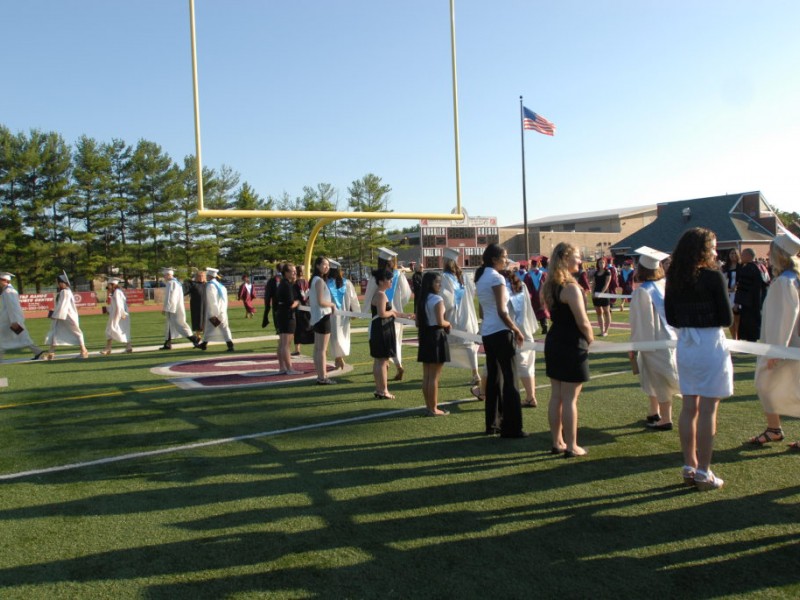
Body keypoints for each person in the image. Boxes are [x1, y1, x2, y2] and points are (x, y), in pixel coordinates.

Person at [665, 227, 733, 490]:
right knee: (707, 410)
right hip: (708, 344)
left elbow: (671, 318)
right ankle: (703, 471)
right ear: (702, 250)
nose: (716, 252)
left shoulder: (674, 277)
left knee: (689, 407)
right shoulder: (713, 277)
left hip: (686, 346)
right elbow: (726, 319)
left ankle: (689, 466)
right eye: (713, 246)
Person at [748, 233, 800, 448]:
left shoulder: (785, 282)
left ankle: (774, 429)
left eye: (770, 251)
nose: (767, 255)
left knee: (766, 383)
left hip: (785, 346)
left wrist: (776, 352)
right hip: (791, 344)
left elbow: (785, 317)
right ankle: (773, 428)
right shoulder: (792, 278)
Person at [543, 243, 594, 457]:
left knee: (557, 396)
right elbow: (582, 321)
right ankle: (572, 445)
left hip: (555, 341)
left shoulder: (548, 286)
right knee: (570, 398)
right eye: (577, 257)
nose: (580, 261)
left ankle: (557, 442)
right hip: (571, 343)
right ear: (565, 258)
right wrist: (590, 339)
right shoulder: (570, 288)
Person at [475, 243, 526, 438]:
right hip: (501, 332)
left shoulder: (481, 278)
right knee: (510, 380)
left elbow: (483, 309)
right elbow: (502, 311)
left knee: (494, 380)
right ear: (495, 259)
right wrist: (516, 329)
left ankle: (493, 424)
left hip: (488, 333)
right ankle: (512, 427)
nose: (507, 260)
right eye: (504, 257)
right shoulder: (496, 278)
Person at [628, 246, 680, 430]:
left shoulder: (642, 292)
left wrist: (636, 344)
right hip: (669, 336)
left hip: (653, 340)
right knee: (651, 377)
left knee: (659, 378)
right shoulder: (664, 284)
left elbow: (642, 322)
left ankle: (665, 418)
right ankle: (654, 412)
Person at [363, 247, 412, 381]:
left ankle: (391, 365)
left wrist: (366, 308)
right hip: (395, 312)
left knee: (379, 341)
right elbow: (407, 294)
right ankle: (397, 364)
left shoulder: (376, 277)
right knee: (395, 341)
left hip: (380, 314)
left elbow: (369, 295)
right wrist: (398, 303)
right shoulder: (398, 275)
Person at [440, 247, 481, 388]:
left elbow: (447, 299)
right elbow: (472, 292)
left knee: (451, 343)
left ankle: (436, 373)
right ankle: (475, 372)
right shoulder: (463, 276)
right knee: (469, 344)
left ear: (446, 261)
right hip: (467, 312)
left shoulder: (445, 277)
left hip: (454, 313)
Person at [369, 268, 411, 399]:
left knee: (379, 360)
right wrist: (393, 313)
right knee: (382, 361)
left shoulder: (380, 293)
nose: (391, 281)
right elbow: (383, 313)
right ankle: (384, 390)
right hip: (382, 329)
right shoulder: (381, 294)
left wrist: (405, 315)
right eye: (389, 279)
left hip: (379, 328)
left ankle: (379, 389)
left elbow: (390, 311)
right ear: (381, 281)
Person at [416, 271, 451, 416]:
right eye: (437, 282)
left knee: (427, 376)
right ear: (431, 284)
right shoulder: (437, 299)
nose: (440, 284)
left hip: (425, 335)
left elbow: (418, 322)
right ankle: (434, 408)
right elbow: (440, 321)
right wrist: (448, 323)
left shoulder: (422, 299)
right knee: (434, 377)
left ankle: (428, 406)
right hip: (436, 336)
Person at [507, 270, 539, 408]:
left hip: (514, 329)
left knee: (523, 364)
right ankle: (530, 396)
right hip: (524, 326)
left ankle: (531, 397)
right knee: (528, 363)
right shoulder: (522, 285)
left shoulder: (503, 288)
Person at [0, 272, 44, 361]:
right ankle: (38, 351)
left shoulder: (9, 292)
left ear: (4, 281)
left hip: (11, 321)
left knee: (23, 337)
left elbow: (12, 307)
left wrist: (14, 321)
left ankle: (38, 351)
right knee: (22, 337)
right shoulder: (7, 291)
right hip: (9, 320)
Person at [44, 271, 89, 360]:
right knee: (56, 332)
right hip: (64, 315)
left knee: (76, 332)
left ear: (61, 283)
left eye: (58, 282)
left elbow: (63, 305)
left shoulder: (65, 292)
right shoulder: (66, 291)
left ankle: (84, 350)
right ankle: (51, 353)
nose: (57, 284)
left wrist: (56, 315)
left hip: (67, 316)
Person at [327, 259, 361, 370]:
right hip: (344, 315)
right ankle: (339, 356)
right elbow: (354, 299)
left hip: (331, 315)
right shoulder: (347, 283)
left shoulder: (325, 283)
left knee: (334, 337)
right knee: (343, 335)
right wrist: (355, 312)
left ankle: (338, 357)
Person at [309, 256, 337, 385]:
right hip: (322, 317)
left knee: (318, 348)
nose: (327, 267)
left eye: (328, 265)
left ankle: (320, 376)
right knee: (322, 349)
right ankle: (323, 377)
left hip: (317, 317)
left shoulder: (315, 280)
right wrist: (331, 305)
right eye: (324, 264)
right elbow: (321, 302)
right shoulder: (319, 281)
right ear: (317, 266)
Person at [160, 268, 199, 350]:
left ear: (169, 275)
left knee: (179, 324)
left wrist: (167, 308)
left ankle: (193, 338)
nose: (164, 277)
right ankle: (167, 343)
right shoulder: (176, 283)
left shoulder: (171, 283)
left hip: (174, 308)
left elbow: (171, 297)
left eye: (165, 275)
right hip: (176, 307)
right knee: (170, 326)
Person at [734, 248, 767, 342]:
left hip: (748, 302)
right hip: (759, 301)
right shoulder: (761, 267)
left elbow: (742, 287)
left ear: (749, 256)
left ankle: (750, 344)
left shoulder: (747, 268)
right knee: (756, 323)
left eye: (743, 254)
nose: (741, 256)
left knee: (748, 325)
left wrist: (737, 302)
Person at [198, 267, 234, 352]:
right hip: (222, 311)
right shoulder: (221, 286)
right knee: (218, 328)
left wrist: (214, 313)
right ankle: (204, 344)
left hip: (214, 312)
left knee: (213, 327)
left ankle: (229, 344)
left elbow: (212, 300)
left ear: (209, 276)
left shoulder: (210, 286)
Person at [275, 262, 301, 375]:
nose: (295, 273)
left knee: (281, 343)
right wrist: (298, 302)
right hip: (287, 316)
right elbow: (291, 303)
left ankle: (282, 367)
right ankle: (289, 368)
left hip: (281, 315)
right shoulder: (286, 285)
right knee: (286, 344)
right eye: (293, 271)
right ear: (286, 273)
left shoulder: (283, 283)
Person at [100, 277, 132, 355]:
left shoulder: (117, 292)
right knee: (123, 330)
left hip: (118, 315)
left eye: (109, 285)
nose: (108, 286)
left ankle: (108, 348)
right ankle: (128, 347)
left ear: (113, 284)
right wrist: (109, 310)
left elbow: (119, 305)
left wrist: (118, 316)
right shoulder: (117, 292)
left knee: (110, 330)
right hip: (120, 314)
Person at [523, 257, 550, 333]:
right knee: (542, 311)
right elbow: (546, 285)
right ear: (538, 264)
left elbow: (527, 287)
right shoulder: (543, 274)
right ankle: (544, 325)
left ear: (531, 265)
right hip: (542, 295)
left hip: (532, 296)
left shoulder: (527, 275)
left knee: (531, 312)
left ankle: (531, 329)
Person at [293, 265, 313, 356]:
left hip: (300, 308)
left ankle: (297, 349)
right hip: (308, 307)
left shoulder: (295, 283)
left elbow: (297, 297)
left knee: (297, 328)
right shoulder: (306, 282)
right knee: (309, 326)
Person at [722, 248, 741, 339]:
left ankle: (738, 337)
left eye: (734, 253)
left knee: (737, 316)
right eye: (731, 253)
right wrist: (726, 288)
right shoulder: (725, 267)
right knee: (730, 317)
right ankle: (734, 337)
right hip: (728, 293)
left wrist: (737, 286)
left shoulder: (741, 266)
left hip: (737, 293)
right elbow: (722, 279)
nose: (733, 255)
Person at [592, 257, 612, 336]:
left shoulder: (608, 272)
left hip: (604, 294)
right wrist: (593, 292)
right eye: (600, 263)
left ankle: (606, 331)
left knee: (606, 312)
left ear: (605, 263)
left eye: (603, 262)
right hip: (596, 294)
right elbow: (593, 283)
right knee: (599, 312)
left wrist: (601, 293)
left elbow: (607, 284)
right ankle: (601, 330)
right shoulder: (596, 273)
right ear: (598, 264)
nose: (601, 264)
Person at [186, 269, 206, 340]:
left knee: (206, 320)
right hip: (196, 306)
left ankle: (207, 336)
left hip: (206, 305)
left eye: (202, 276)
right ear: (196, 277)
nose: (201, 278)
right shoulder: (193, 284)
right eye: (199, 276)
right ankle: (198, 336)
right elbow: (185, 291)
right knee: (197, 320)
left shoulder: (207, 285)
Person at [262, 266, 282, 332]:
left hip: (276, 305)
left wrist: (266, 311)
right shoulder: (288, 279)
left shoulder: (272, 280)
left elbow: (267, 296)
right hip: (287, 306)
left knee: (278, 328)